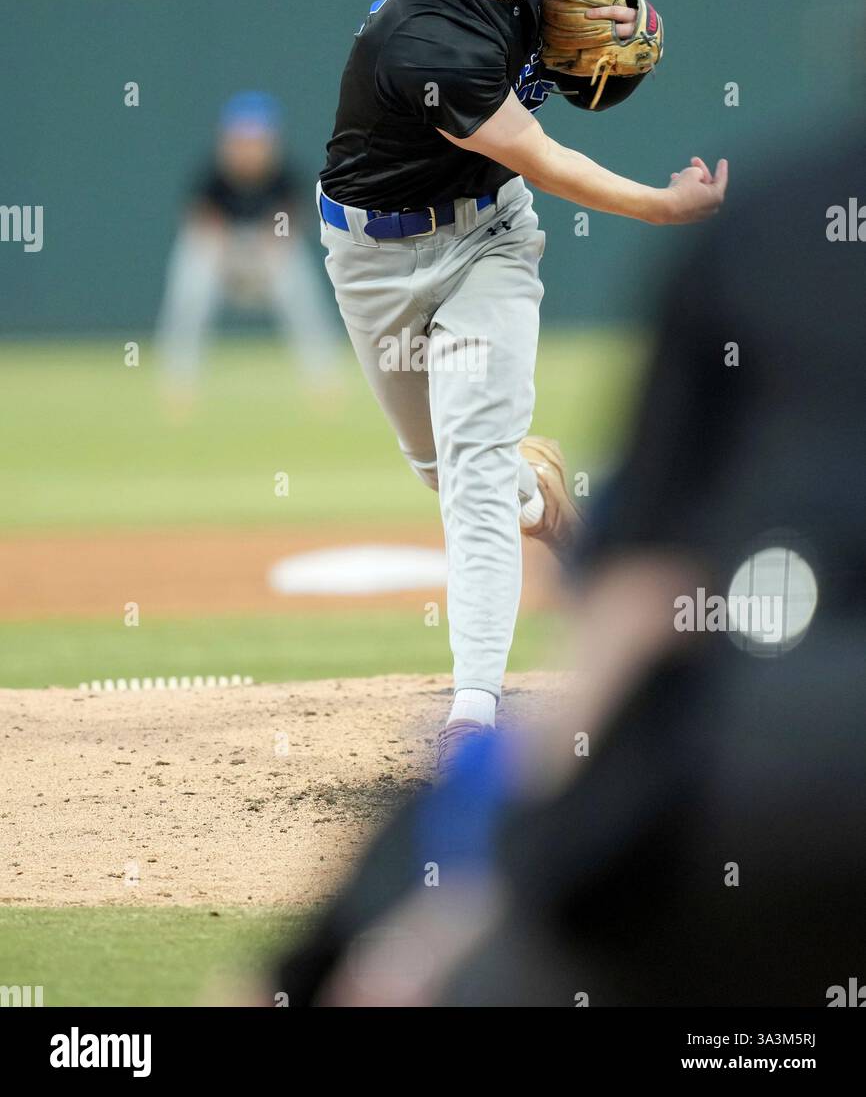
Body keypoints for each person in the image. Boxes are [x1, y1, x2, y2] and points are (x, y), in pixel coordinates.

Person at [271, 112, 866, 1007]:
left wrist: (490, 832)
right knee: (452, 470)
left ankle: (483, 679)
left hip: (755, 778)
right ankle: (520, 497)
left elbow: (647, 591)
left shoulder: (773, 229)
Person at [316, 0, 727, 772]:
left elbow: (613, 44)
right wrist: (658, 207)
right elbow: (540, 153)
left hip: (490, 242)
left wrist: (631, 25)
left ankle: (471, 706)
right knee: (450, 472)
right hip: (373, 262)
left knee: (464, 467)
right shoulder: (424, 41)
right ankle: (535, 494)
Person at [155, 91, 340, 408]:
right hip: (221, 259)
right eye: (241, 140)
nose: (249, 149)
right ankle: (178, 380)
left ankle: (323, 378)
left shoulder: (284, 175)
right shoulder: (211, 176)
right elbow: (198, 221)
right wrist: (227, 246)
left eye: (257, 141)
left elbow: (295, 219)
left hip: (266, 261)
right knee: (193, 265)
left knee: (293, 269)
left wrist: (267, 242)